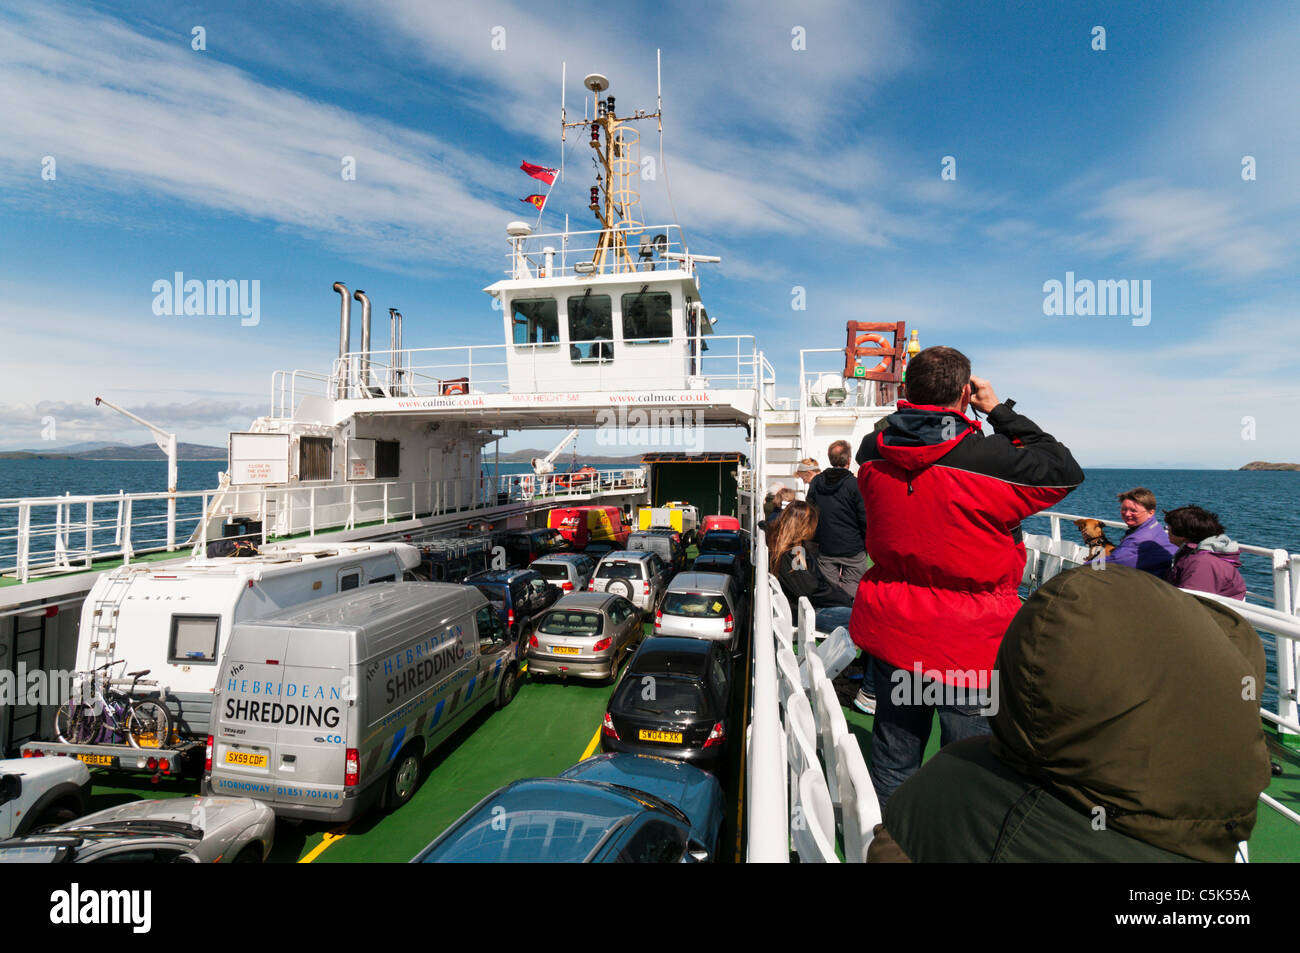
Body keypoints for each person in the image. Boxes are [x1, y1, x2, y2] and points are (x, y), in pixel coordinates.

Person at [867, 565, 1271, 861]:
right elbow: (1057, 473)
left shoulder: (941, 777)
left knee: (895, 745)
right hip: (954, 645)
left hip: (900, 636)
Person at [851, 345, 1084, 807]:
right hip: (969, 643)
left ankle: (891, 842)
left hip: (897, 630)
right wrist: (997, 409)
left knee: (896, 756)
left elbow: (890, 435)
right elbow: (1064, 470)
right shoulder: (990, 459)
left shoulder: (873, 452)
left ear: (906, 391)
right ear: (964, 392)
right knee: (972, 768)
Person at [768, 501, 853, 635]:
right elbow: (810, 589)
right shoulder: (795, 553)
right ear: (804, 526)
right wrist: (844, 599)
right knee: (867, 619)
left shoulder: (783, 545)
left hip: (804, 608)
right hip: (806, 611)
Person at [805, 440, 868, 600]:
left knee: (829, 591)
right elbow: (864, 517)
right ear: (848, 460)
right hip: (852, 547)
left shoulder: (817, 482)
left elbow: (809, 512)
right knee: (851, 592)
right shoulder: (855, 484)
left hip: (826, 545)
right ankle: (847, 619)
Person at [1164, 506, 1247, 600]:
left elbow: (1191, 602)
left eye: (1169, 527)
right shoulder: (1190, 552)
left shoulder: (1203, 564)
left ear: (1183, 534)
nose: (1167, 531)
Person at [1091, 487, 1178, 576]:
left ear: (1151, 512)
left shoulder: (1140, 539)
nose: (1127, 514)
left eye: (1133, 511)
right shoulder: (1156, 527)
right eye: (1124, 509)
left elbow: (1108, 565)